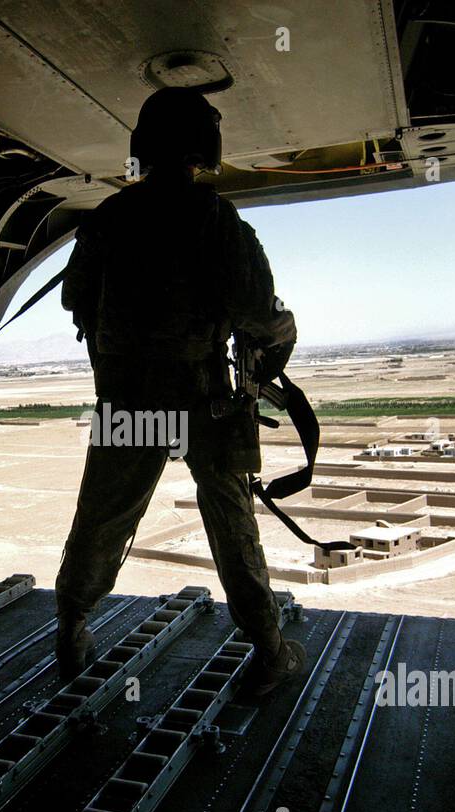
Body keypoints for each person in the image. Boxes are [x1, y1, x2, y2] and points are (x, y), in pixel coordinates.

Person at [53, 86, 305, 699]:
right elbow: (256, 310)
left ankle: (71, 629)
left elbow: (73, 298)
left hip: (128, 401)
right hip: (204, 404)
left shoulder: (110, 218)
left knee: (103, 514)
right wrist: (283, 332)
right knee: (230, 520)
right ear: (204, 148)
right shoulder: (216, 221)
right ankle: (270, 650)